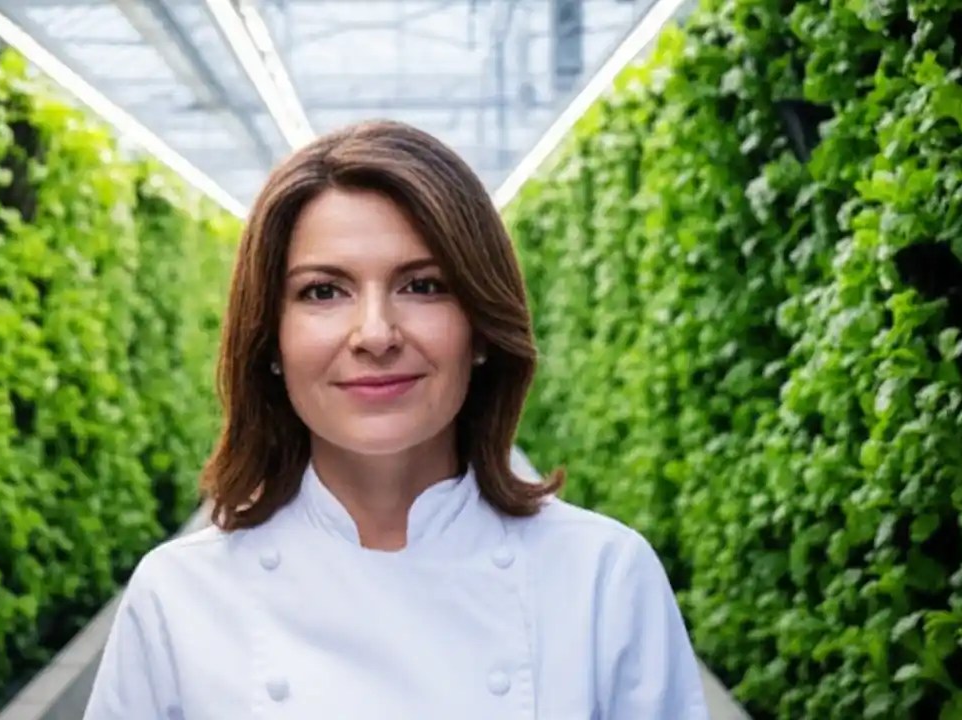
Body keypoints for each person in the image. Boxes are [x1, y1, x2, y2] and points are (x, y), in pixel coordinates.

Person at [82, 120, 709, 719]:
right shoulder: (179, 596)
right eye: (324, 292)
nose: (376, 334)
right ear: (270, 341)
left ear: (482, 330)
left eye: (424, 286)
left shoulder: (603, 579)